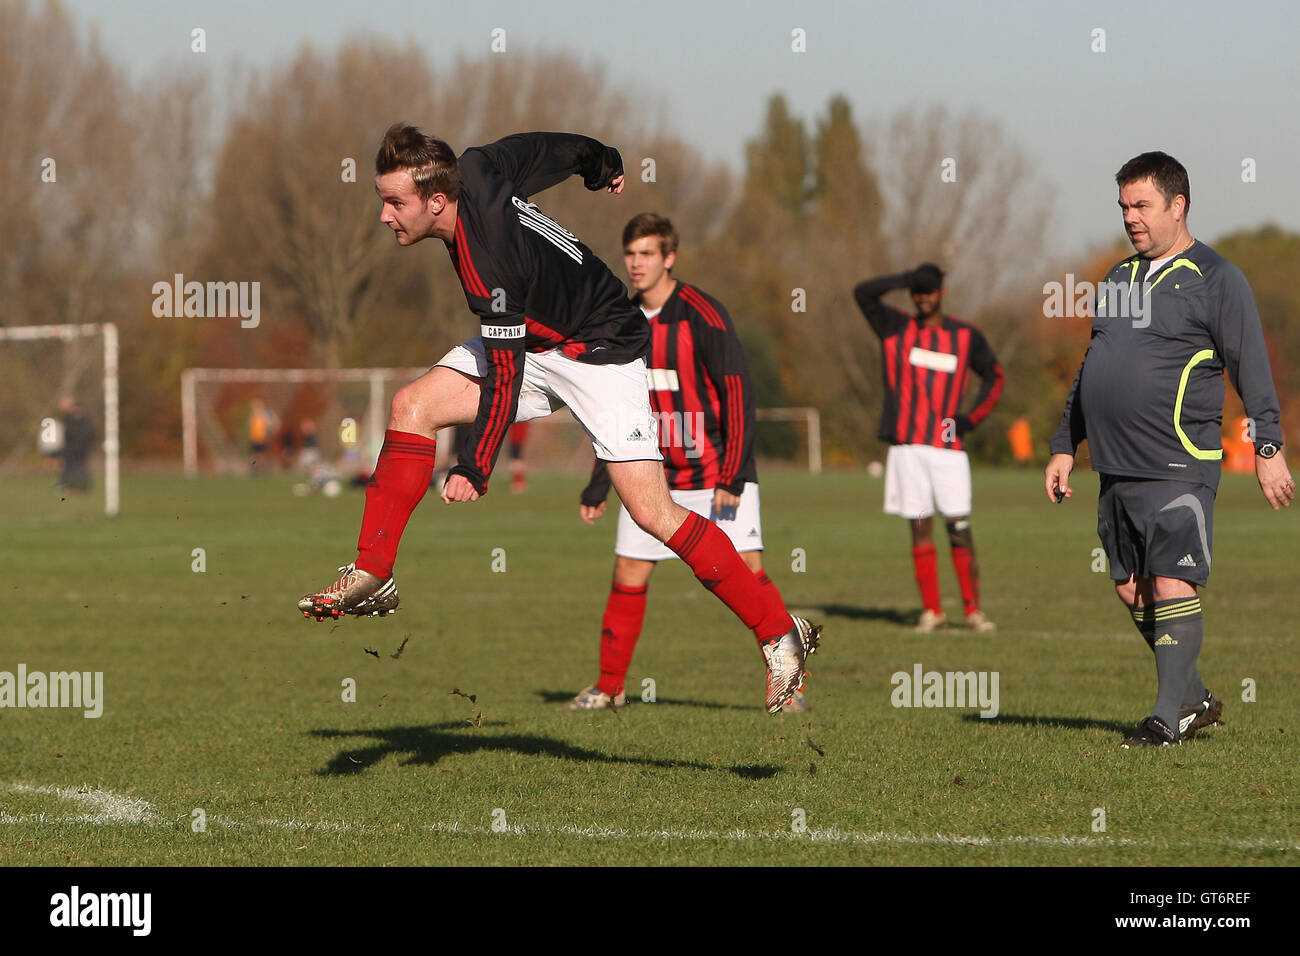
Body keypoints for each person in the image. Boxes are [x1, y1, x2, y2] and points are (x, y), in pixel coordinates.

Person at [297, 126, 819, 714]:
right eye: (382, 199)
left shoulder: (487, 263)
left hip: (601, 351)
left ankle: (780, 634)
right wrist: (601, 163)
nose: (384, 216)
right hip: (537, 342)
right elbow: (550, 149)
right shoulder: (477, 166)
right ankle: (373, 573)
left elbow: (503, 373)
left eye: (394, 202)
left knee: (652, 512)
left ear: (436, 200)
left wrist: (475, 464)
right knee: (410, 407)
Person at [1047, 151, 1293, 749]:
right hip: (1115, 465)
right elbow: (1092, 369)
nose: (1131, 217)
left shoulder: (1218, 279)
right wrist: (1063, 444)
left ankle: (1166, 718)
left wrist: (1268, 446)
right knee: (1132, 588)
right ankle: (1193, 696)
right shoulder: (1118, 279)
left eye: (1142, 205)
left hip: (1180, 462)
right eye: (1125, 206)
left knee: (1171, 583)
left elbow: (1251, 368)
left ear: (1177, 206)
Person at [567, 213, 807, 712]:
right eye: (630, 254)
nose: (635, 263)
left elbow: (738, 391)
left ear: (669, 258)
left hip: (717, 474)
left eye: (647, 254)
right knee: (629, 572)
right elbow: (609, 407)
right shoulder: (618, 318)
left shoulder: (703, 313)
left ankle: (790, 686)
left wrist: (734, 475)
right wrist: (598, 485)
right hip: (652, 479)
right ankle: (609, 688)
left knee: (748, 568)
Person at [853, 264, 1004, 632]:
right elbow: (863, 293)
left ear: (943, 291)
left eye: (929, 291)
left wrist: (970, 420)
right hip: (908, 449)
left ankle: (972, 611)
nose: (923, 299)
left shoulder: (966, 336)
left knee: (959, 526)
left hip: (948, 449)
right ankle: (932, 611)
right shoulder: (894, 326)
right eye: (917, 293)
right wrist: (904, 280)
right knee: (920, 527)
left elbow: (994, 377)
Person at [58, 396, 95, 492]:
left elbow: (90, 435)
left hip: (82, 450)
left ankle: (83, 487)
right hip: (70, 449)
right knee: (68, 469)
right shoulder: (68, 420)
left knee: (82, 469)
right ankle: (66, 486)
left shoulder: (86, 422)